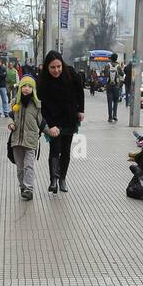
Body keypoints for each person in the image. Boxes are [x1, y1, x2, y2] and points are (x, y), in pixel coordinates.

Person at [37, 50, 84, 193]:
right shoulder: (42, 79)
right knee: (54, 148)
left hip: (69, 117)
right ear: (47, 67)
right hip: (52, 119)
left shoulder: (70, 73)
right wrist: (48, 125)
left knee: (66, 150)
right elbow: (41, 104)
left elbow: (80, 91)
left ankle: (62, 178)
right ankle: (53, 180)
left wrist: (81, 110)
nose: (56, 70)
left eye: (58, 66)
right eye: (52, 67)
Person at [7, 75, 43, 201]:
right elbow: (10, 116)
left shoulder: (37, 105)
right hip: (16, 140)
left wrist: (51, 131)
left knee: (29, 166)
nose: (26, 89)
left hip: (31, 141)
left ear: (33, 89)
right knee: (20, 168)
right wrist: (10, 123)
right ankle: (22, 186)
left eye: (30, 86)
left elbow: (42, 122)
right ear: (20, 88)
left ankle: (28, 189)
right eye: (24, 86)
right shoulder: (15, 103)